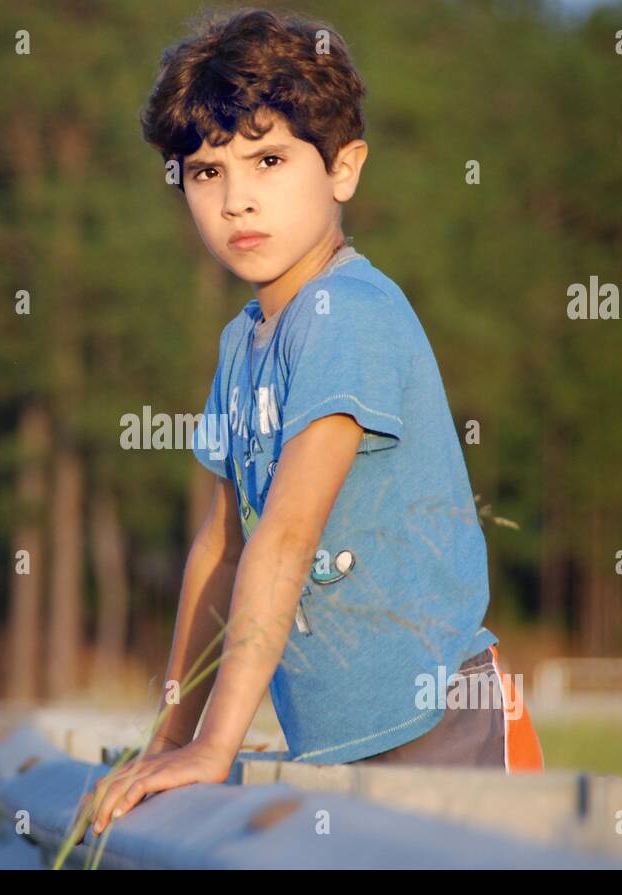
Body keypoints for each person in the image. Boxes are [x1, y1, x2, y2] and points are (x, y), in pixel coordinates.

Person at [82, 7, 541, 839]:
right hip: (335, 747)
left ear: (344, 168)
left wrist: (213, 748)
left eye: (268, 159)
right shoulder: (243, 343)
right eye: (205, 172)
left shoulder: (349, 314)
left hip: (442, 729)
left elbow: (287, 535)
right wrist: (170, 741)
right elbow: (221, 548)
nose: (236, 200)